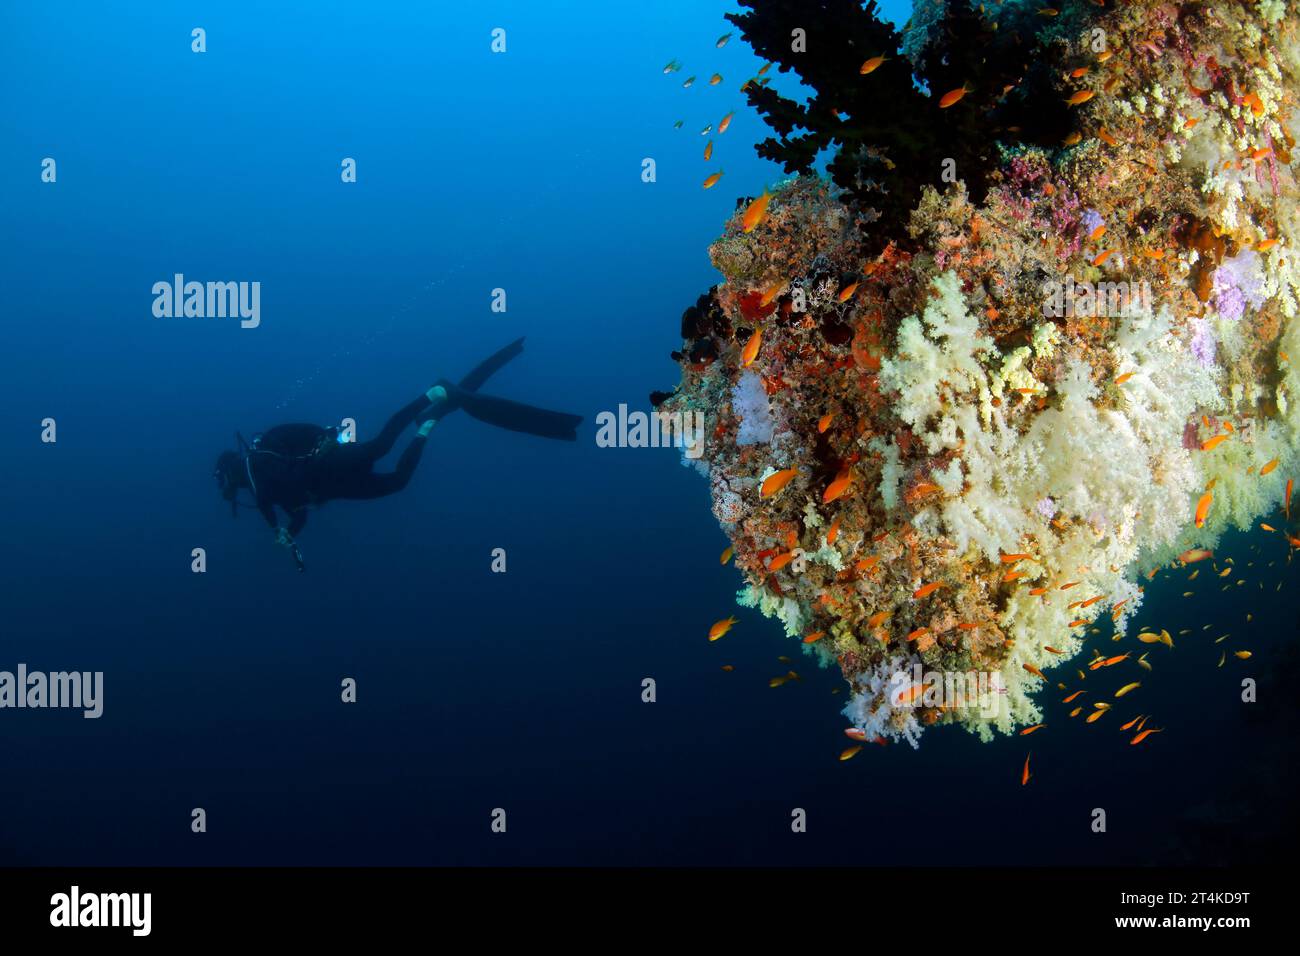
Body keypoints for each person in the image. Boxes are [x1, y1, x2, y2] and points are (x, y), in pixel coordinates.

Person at [213, 338, 581, 570]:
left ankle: (431, 394)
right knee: (397, 483)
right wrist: (286, 533)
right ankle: (428, 422)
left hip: (324, 463)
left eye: (222, 481)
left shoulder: (253, 465)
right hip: (329, 488)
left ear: (228, 468)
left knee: (379, 447)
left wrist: (275, 525)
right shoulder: (258, 490)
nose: (226, 489)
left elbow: (265, 495)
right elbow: (294, 513)